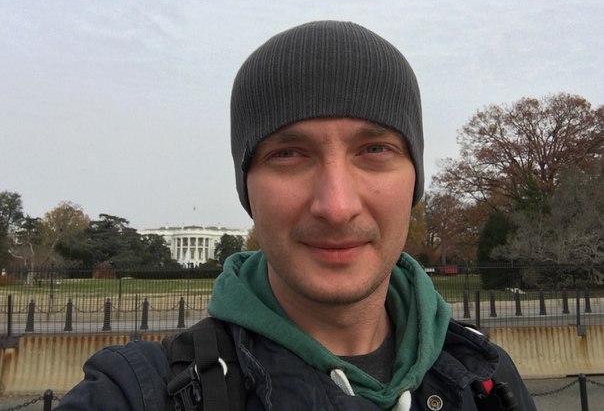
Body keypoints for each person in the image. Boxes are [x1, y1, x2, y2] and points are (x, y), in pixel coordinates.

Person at [56, 21, 536, 410]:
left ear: (414, 179)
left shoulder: (488, 379)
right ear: (247, 187)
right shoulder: (140, 392)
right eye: (288, 154)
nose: (337, 206)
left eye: (374, 149)